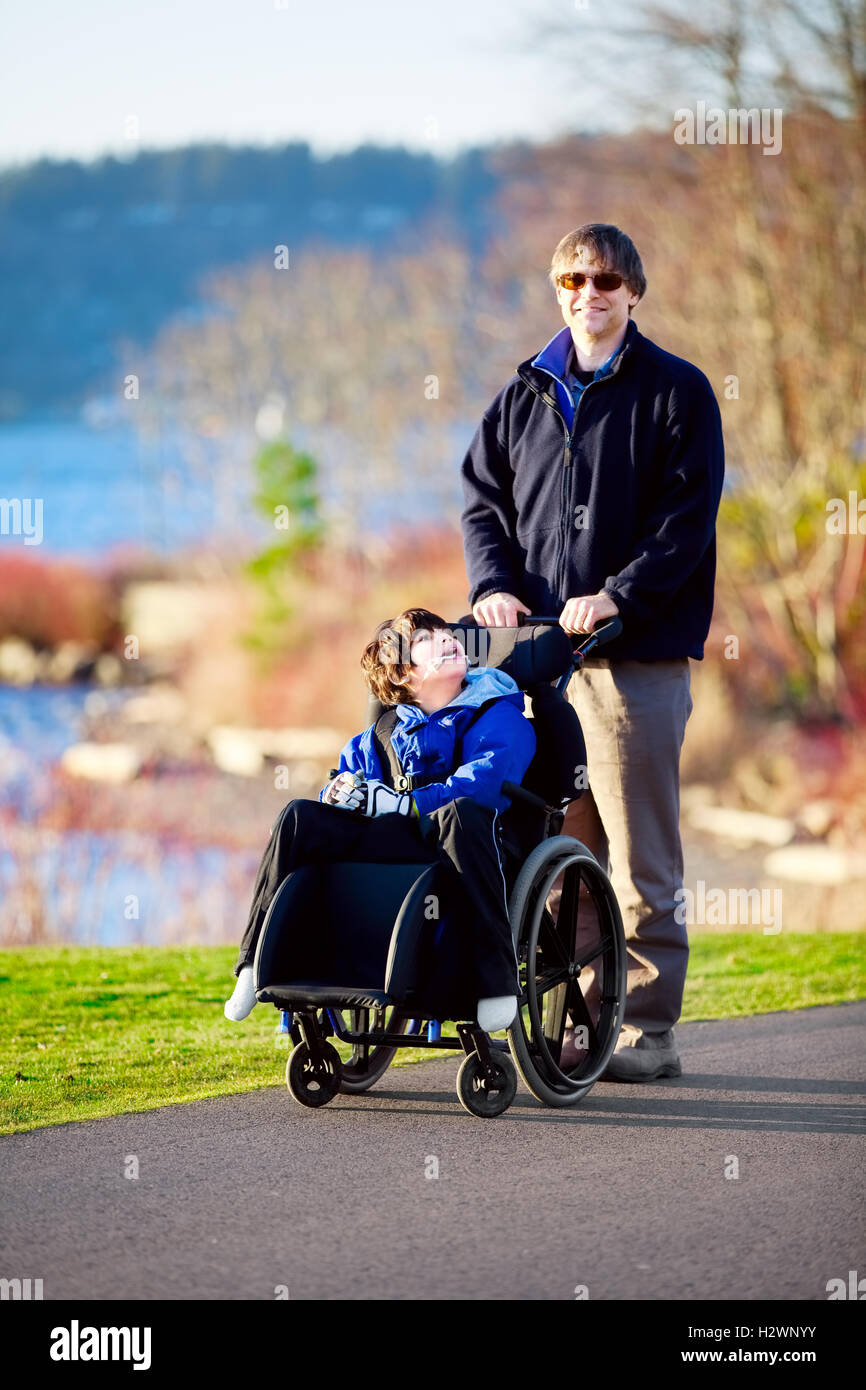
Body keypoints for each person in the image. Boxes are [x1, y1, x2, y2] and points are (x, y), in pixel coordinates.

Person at [460, 222, 725, 1081]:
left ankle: (649, 1031)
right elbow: (482, 505)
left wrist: (619, 595)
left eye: (607, 279)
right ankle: (576, 1025)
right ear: (557, 289)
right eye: (573, 279)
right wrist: (491, 585)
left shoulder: (678, 393)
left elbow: (684, 529)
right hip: (535, 663)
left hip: (632, 660)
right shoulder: (523, 393)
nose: (590, 293)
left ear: (634, 291)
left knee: (642, 852)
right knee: (557, 854)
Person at [224, 607, 536, 1032]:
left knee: (462, 813)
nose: (447, 638)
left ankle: (495, 983)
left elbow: (483, 784)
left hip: (463, 845)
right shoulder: (381, 733)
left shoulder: (497, 713)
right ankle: (254, 965)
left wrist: (402, 803)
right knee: (299, 817)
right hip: (392, 852)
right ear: (403, 675)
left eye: (446, 632)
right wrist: (342, 795)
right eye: (425, 639)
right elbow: (350, 783)